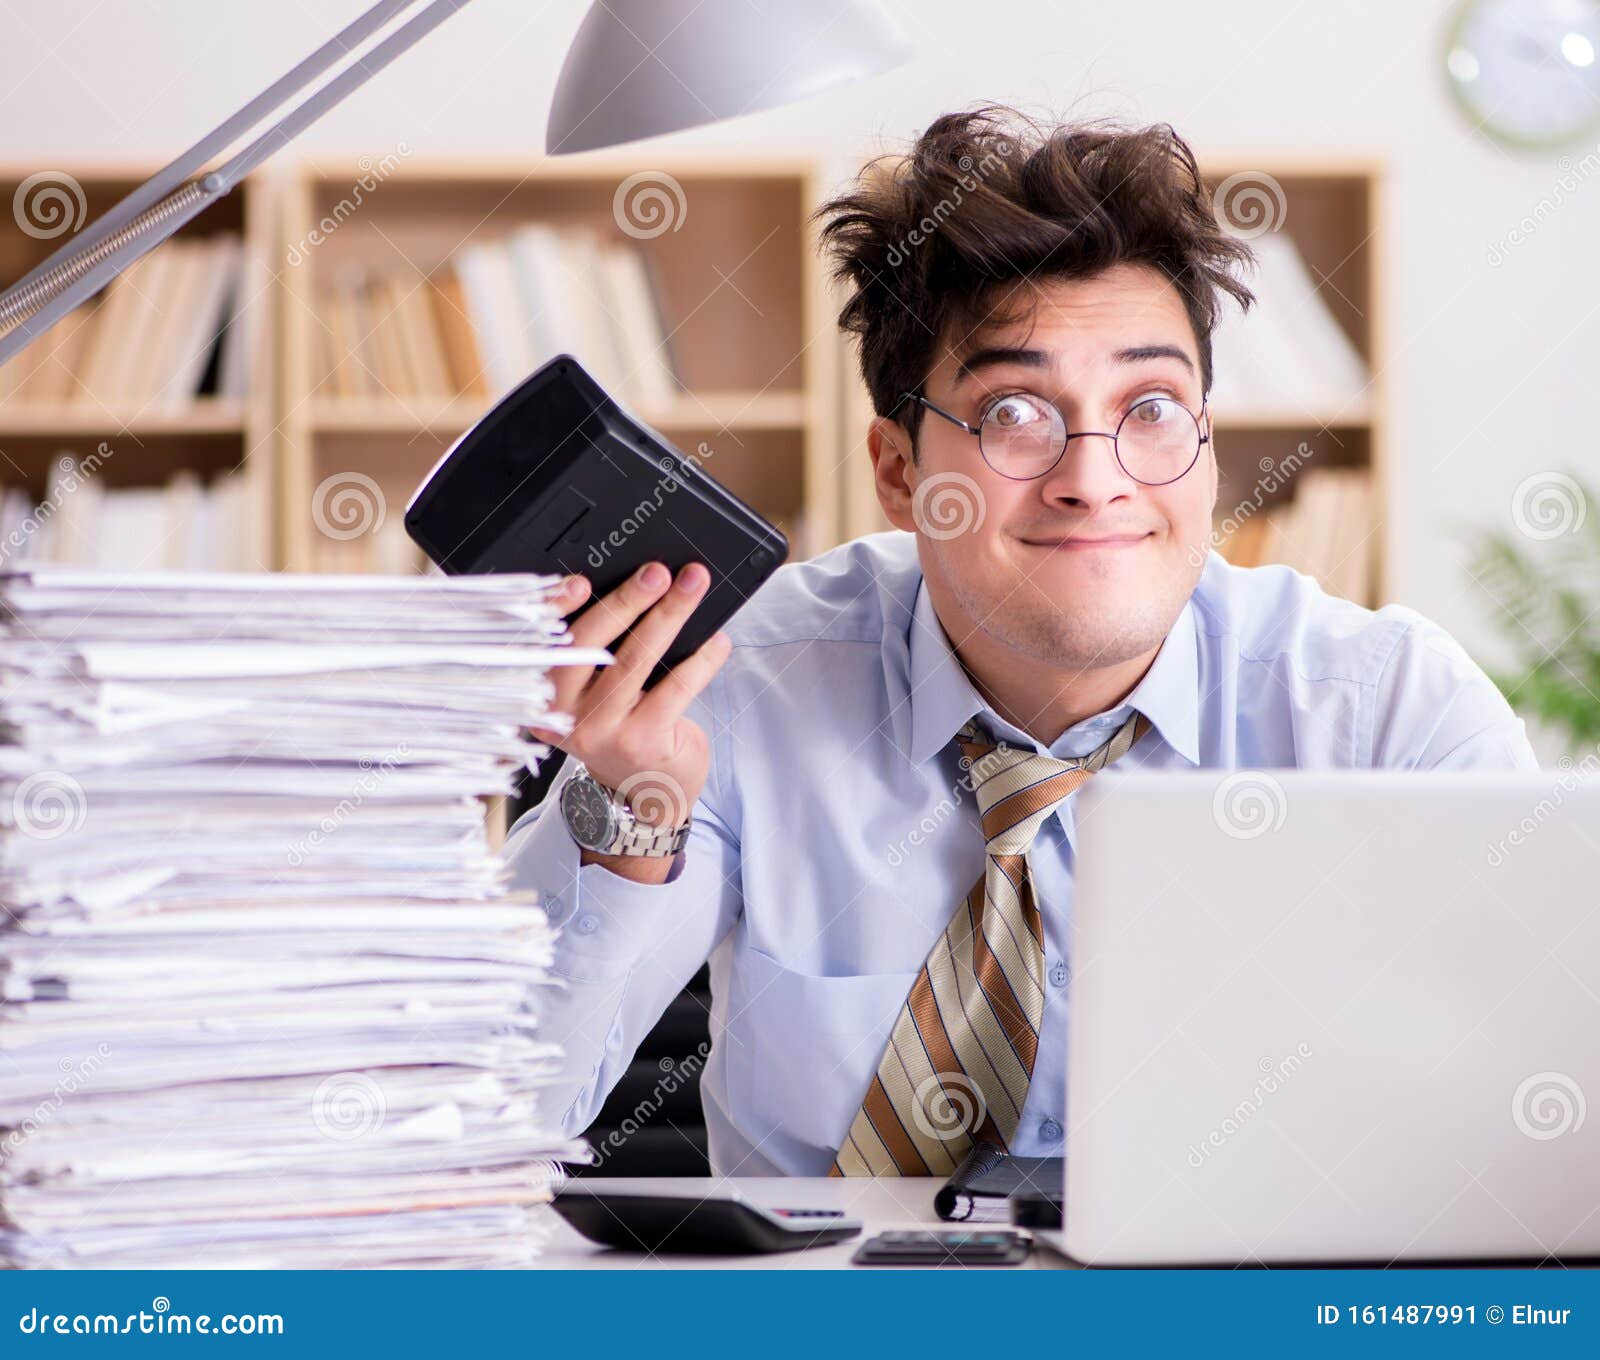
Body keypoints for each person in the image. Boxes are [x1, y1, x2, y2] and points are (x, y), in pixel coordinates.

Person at [507, 105, 1536, 1177]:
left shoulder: (1391, 716)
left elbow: (1525, 1136)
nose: (1093, 477)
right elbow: (477, 1110)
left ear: (1207, 451)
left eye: (1149, 407)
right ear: (900, 473)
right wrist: (626, 810)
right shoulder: (737, 684)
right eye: (1013, 414)